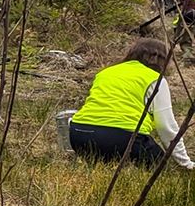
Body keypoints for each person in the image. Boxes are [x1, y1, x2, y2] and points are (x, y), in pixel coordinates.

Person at [67, 37, 194, 170]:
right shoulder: (155, 79)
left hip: (78, 135)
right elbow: (166, 127)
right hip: (122, 138)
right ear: (162, 60)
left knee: (103, 163)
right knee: (159, 167)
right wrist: (185, 163)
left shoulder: (105, 72)